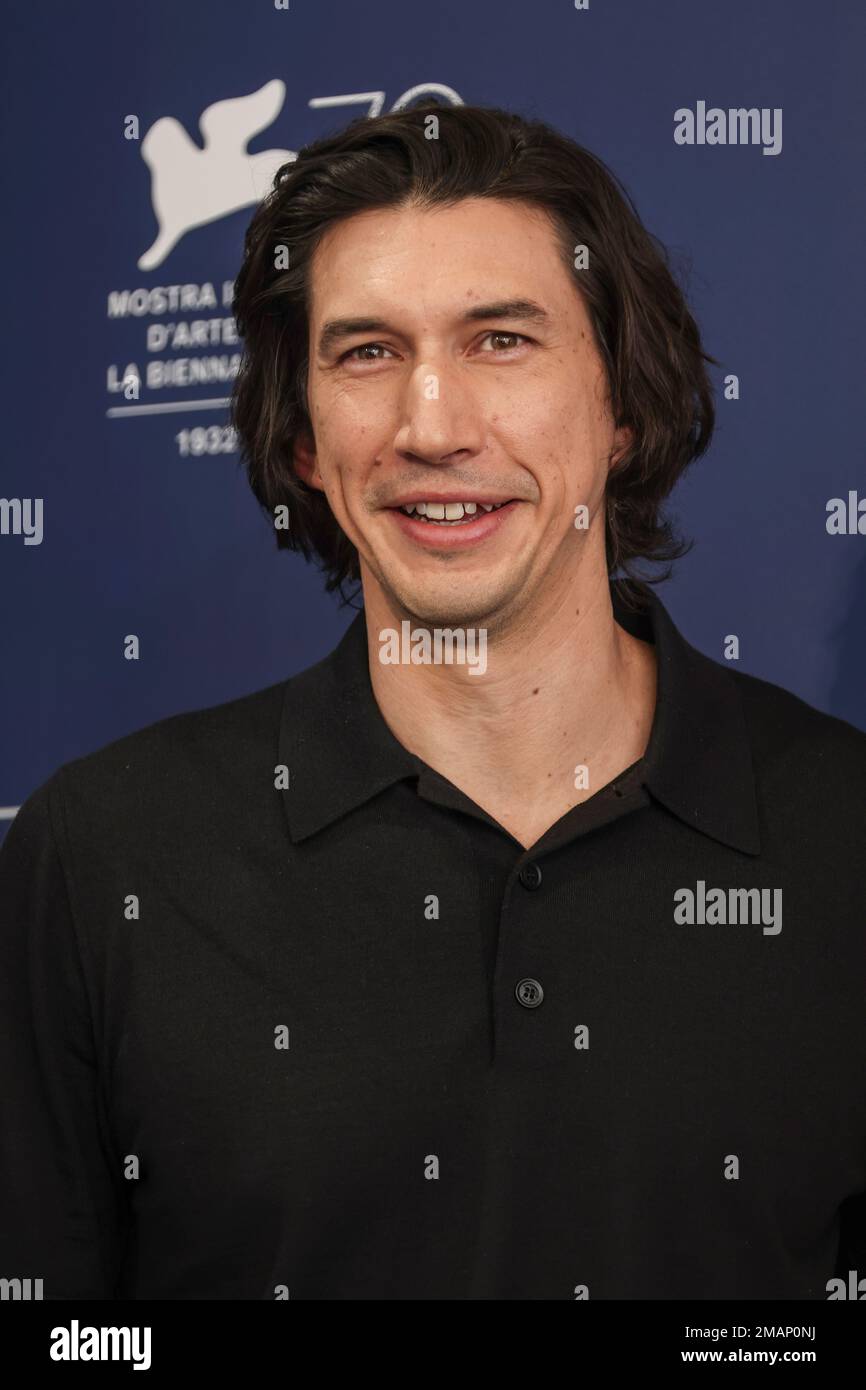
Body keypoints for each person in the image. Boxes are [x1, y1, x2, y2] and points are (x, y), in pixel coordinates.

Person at [2, 104, 865, 1301]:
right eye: (364, 353)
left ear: (622, 404)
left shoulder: (842, 834)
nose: (431, 425)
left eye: (500, 341)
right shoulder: (99, 854)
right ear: (302, 435)